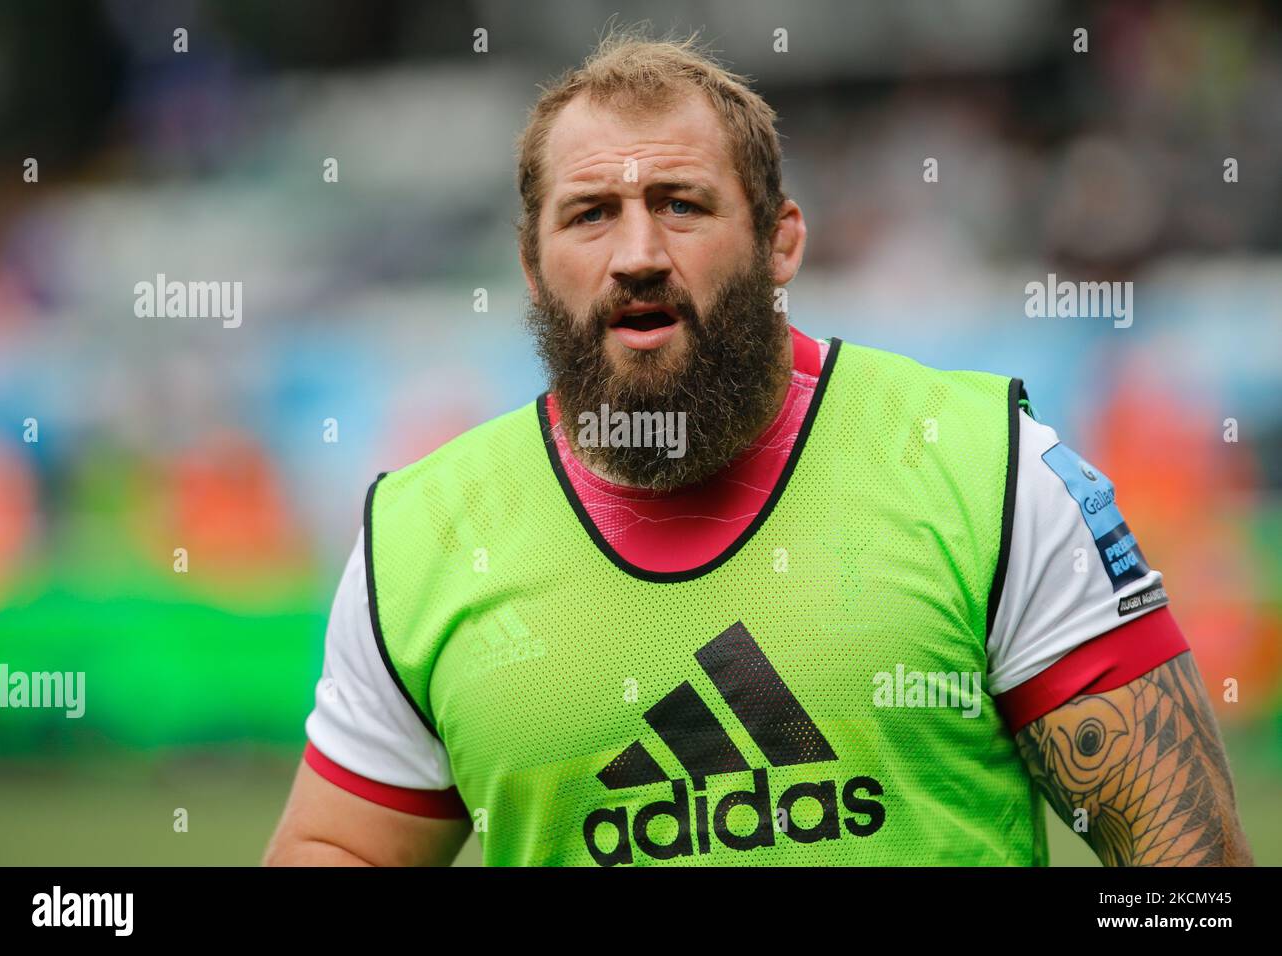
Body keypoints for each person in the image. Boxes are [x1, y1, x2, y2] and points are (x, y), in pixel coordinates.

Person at [265, 30, 1252, 867]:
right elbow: (340, 844)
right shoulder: (420, 536)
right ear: (530, 263)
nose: (638, 252)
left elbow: (1183, 859)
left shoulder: (984, 468)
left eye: (682, 204)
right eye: (591, 214)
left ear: (780, 242)